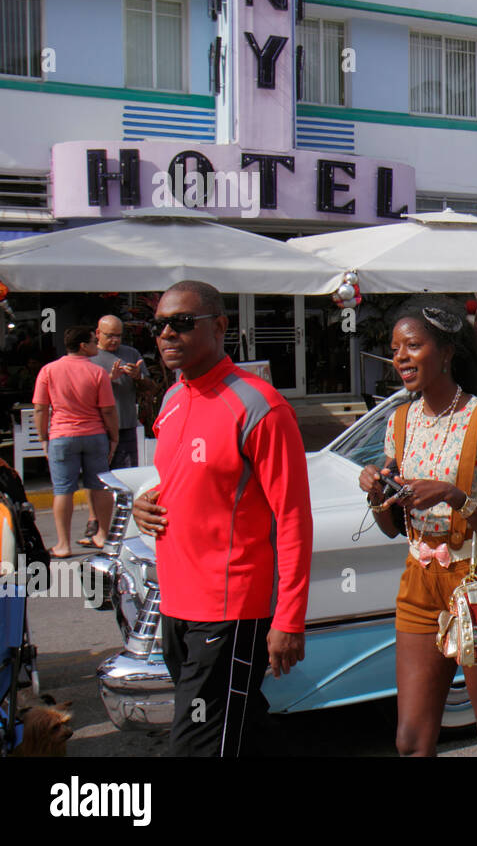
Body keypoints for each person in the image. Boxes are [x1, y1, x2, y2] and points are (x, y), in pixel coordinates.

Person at [130, 281, 312, 755]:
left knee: (196, 743)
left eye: (183, 323)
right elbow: (190, 479)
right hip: (176, 602)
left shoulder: (259, 406)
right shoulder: (172, 401)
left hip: (230, 608)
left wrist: (289, 618)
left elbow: (292, 517)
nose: (168, 333)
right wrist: (143, 502)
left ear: (220, 326)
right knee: (240, 726)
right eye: (160, 324)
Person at [358, 298, 477, 756]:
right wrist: (377, 493)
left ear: (447, 352)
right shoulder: (400, 421)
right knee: (410, 740)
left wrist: (455, 497)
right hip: (419, 582)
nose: (401, 358)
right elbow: (393, 528)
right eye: (395, 349)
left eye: (412, 346)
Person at [32, 327, 118, 559]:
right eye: (93, 341)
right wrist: (114, 436)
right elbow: (108, 410)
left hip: (62, 435)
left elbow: (40, 408)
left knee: (62, 490)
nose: (96, 345)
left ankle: (63, 544)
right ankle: (102, 535)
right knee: (99, 486)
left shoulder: (48, 370)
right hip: (94, 434)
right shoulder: (97, 372)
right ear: (82, 346)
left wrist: (43, 438)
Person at [84, 315, 153, 547]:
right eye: (109, 335)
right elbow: (81, 392)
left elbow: (149, 387)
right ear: (97, 333)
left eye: (118, 335)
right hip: (97, 427)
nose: (114, 340)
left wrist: (138, 377)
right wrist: (107, 379)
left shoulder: (130, 354)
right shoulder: (89, 357)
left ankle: (124, 527)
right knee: (97, 479)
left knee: (125, 478)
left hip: (125, 425)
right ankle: (95, 523)